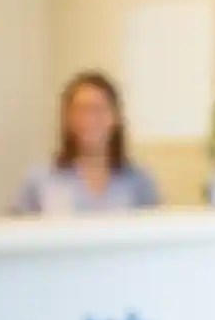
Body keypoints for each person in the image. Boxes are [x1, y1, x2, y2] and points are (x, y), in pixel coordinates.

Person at [15, 71, 160, 215]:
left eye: (99, 110)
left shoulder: (139, 181)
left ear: (115, 117)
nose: (89, 120)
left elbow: (156, 232)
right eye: (81, 110)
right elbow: (16, 232)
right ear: (68, 119)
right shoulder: (40, 179)